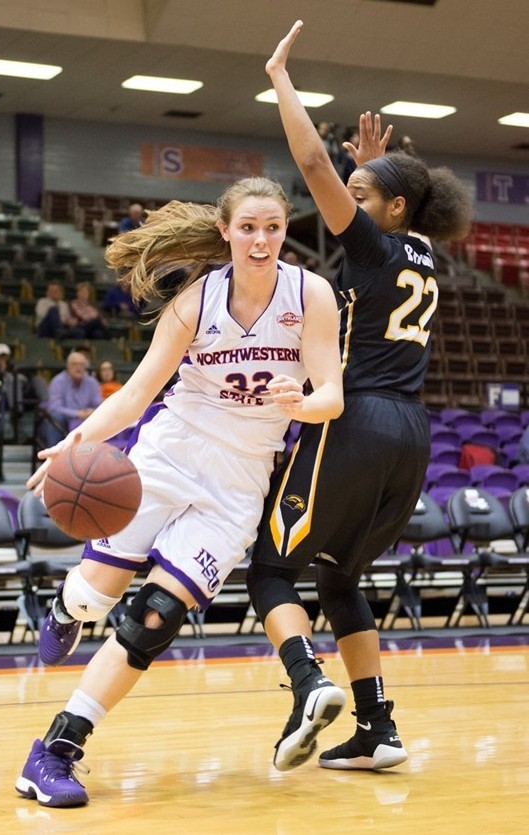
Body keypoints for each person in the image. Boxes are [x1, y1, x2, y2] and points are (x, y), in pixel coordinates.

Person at [15, 176, 344, 808]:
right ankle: (68, 605)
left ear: (285, 232)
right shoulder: (195, 301)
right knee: (95, 597)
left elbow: (331, 394)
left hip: (241, 479)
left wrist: (302, 403)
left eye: (273, 228)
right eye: (247, 227)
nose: (261, 240)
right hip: (169, 455)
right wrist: (75, 443)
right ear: (225, 231)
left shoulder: (312, 294)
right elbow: (137, 394)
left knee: (155, 617)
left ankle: (53, 751)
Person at [246, 20, 473, 775]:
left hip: (356, 417)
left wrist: (281, 79)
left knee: (270, 570)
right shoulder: (424, 251)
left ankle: (307, 680)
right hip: (412, 432)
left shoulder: (373, 246)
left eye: (360, 195)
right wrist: (374, 170)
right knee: (338, 577)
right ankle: (377, 726)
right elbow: (384, 195)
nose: (346, 200)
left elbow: (310, 162)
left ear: (394, 208)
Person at [42, 351, 103, 448]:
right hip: (64, 419)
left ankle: (98, 454)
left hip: (86, 420)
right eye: (74, 364)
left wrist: (92, 411)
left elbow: (98, 405)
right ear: (68, 366)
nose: (78, 367)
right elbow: (55, 407)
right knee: (56, 417)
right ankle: (54, 454)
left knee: (101, 416)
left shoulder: (92, 382)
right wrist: (77, 414)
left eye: (81, 364)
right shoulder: (58, 381)